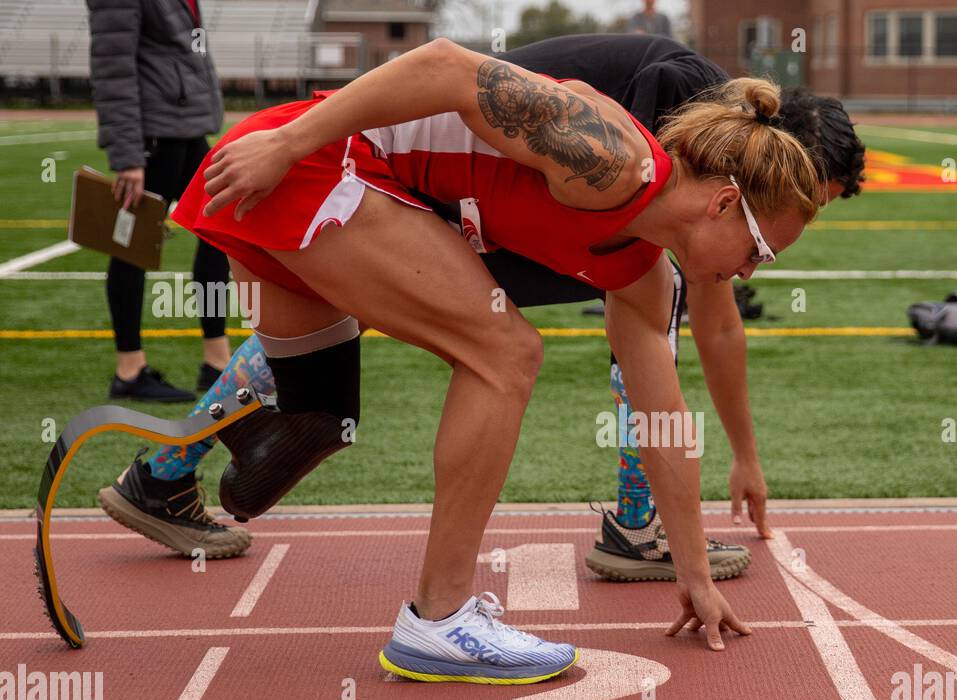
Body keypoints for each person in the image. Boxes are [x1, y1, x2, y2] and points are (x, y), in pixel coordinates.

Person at [97, 34, 866, 584]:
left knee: (329, 413)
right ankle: (445, 611)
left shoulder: (647, 252)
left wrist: (700, 564)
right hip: (341, 168)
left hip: (446, 202)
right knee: (504, 352)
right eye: (763, 246)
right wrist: (289, 141)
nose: (749, 272)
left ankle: (190, 460)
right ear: (737, 191)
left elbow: (671, 394)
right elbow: (442, 66)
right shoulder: (624, 155)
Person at [87, 0, 232, 402]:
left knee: (219, 230)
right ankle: (130, 369)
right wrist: (128, 155)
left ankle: (217, 362)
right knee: (133, 245)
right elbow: (112, 67)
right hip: (152, 136)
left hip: (185, 128)